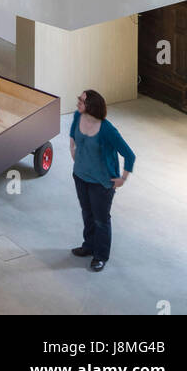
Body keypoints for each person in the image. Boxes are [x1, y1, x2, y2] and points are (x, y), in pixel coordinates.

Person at [68, 88, 135, 272]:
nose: (78, 103)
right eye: (79, 99)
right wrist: (72, 148)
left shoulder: (107, 130)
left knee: (101, 220)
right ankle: (88, 246)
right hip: (80, 176)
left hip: (101, 183)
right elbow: (73, 134)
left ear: (92, 106)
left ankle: (100, 256)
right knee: (87, 213)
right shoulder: (77, 116)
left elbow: (129, 155)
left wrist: (123, 178)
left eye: (81, 101)